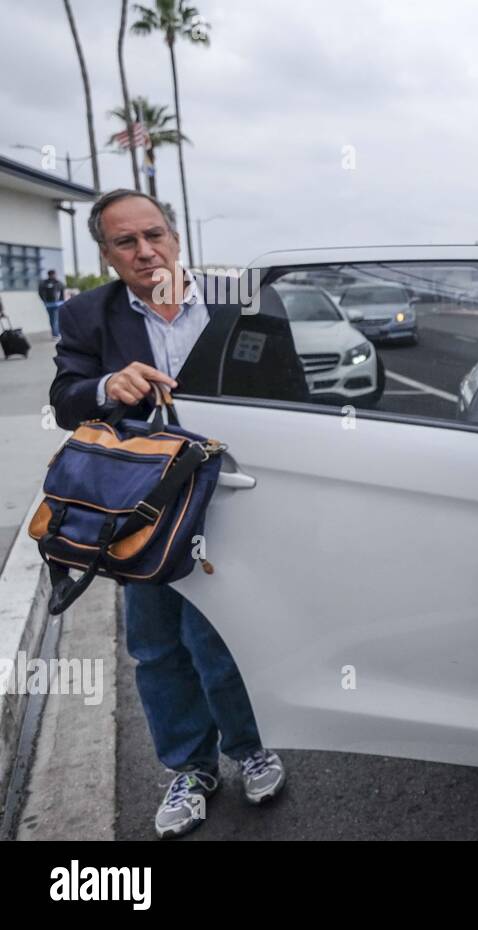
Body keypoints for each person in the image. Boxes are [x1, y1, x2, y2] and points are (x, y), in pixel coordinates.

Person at [50, 189, 287, 839]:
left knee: (227, 632)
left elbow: (289, 382)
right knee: (156, 642)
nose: (145, 251)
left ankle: (252, 749)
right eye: (125, 242)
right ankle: (189, 768)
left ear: (176, 237)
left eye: (154, 235)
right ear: (106, 254)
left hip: (234, 490)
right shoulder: (85, 316)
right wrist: (106, 387)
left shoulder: (237, 294)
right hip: (141, 505)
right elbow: (66, 399)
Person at [38, 269, 65, 340]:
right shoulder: (44, 283)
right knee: (52, 319)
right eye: (54, 274)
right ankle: (55, 334)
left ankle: (56, 334)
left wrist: (62, 301)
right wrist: (44, 301)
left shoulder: (58, 282)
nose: (55, 276)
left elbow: (62, 292)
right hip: (49, 304)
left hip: (58, 304)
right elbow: (40, 293)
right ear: (50, 275)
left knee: (55, 319)